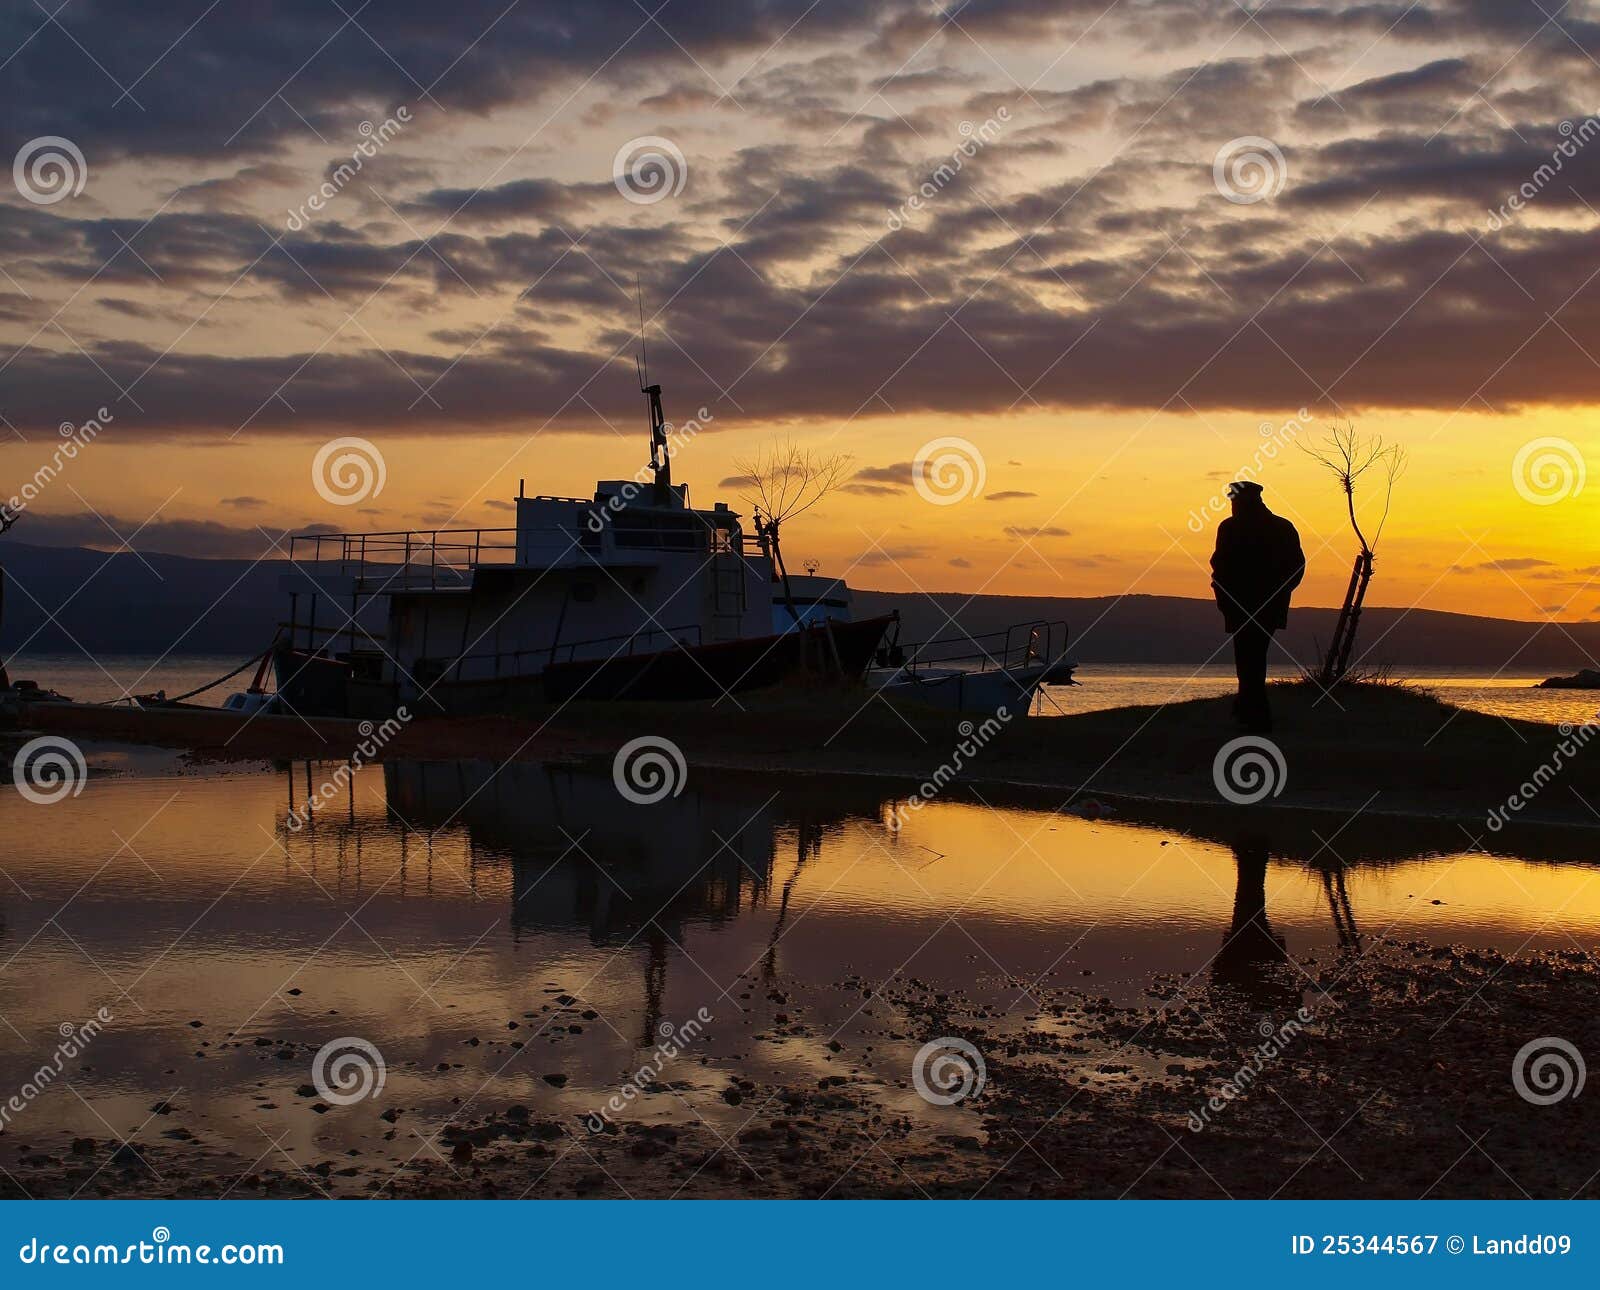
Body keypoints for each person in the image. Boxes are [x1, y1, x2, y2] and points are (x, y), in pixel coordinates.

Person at [1210, 480, 1304, 732]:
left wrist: (1226, 593)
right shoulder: (1282, 527)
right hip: (1257, 605)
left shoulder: (1231, 528)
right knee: (1252, 655)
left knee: (1248, 656)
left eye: (1234, 501)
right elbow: (1296, 567)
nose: (1232, 506)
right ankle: (1248, 708)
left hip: (1245, 604)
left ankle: (1254, 712)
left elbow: (1220, 565)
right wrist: (1281, 592)